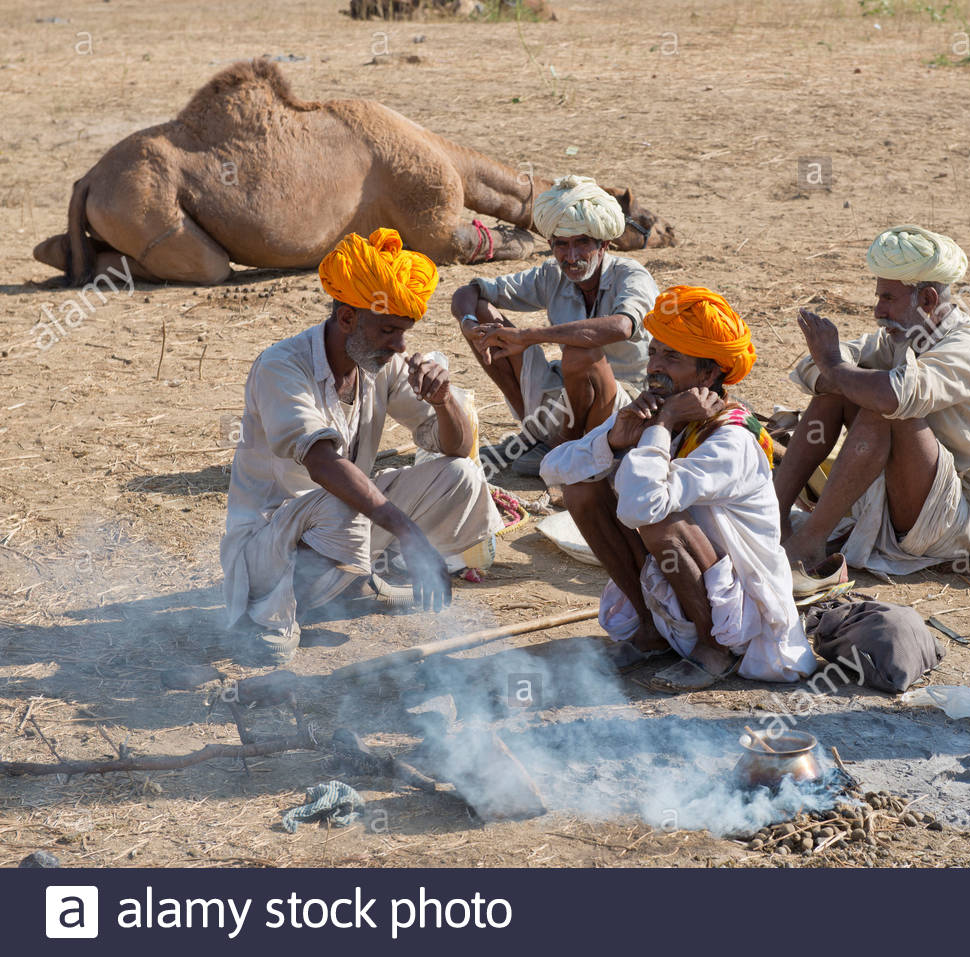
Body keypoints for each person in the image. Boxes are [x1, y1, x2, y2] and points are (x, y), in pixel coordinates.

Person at [220, 228, 501, 664]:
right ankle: (269, 613)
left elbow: (457, 449)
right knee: (345, 497)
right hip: (267, 546)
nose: (400, 345)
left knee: (460, 476)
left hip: (336, 530)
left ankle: (355, 582)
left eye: (405, 332)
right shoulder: (282, 365)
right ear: (348, 317)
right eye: (389, 329)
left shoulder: (379, 363)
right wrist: (406, 532)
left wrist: (443, 402)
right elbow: (322, 465)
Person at [540, 286, 817, 691]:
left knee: (659, 523)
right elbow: (554, 470)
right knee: (582, 491)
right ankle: (651, 631)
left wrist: (660, 426)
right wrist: (613, 441)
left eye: (672, 358)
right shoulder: (652, 410)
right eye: (653, 352)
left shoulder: (731, 439)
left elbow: (643, 508)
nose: (655, 367)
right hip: (673, 596)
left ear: (708, 375)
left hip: (738, 615)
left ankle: (712, 650)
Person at [775, 225, 970, 582]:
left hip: (963, 520)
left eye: (888, 298)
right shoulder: (905, 338)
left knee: (884, 403)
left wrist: (833, 365)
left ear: (927, 301)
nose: (878, 310)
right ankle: (772, 515)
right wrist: (835, 369)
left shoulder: (969, 349)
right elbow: (814, 368)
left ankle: (811, 540)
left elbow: (890, 395)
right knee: (841, 388)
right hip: (913, 496)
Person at [448, 174, 659, 476]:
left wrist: (530, 336)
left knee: (580, 353)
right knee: (483, 313)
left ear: (604, 245)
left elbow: (622, 326)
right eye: (562, 245)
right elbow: (469, 292)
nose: (571, 257)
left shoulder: (631, 276)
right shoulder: (552, 274)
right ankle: (534, 436)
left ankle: (564, 449)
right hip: (566, 401)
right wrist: (469, 324)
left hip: (624, 406)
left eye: (582, 244)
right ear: (551, 244)